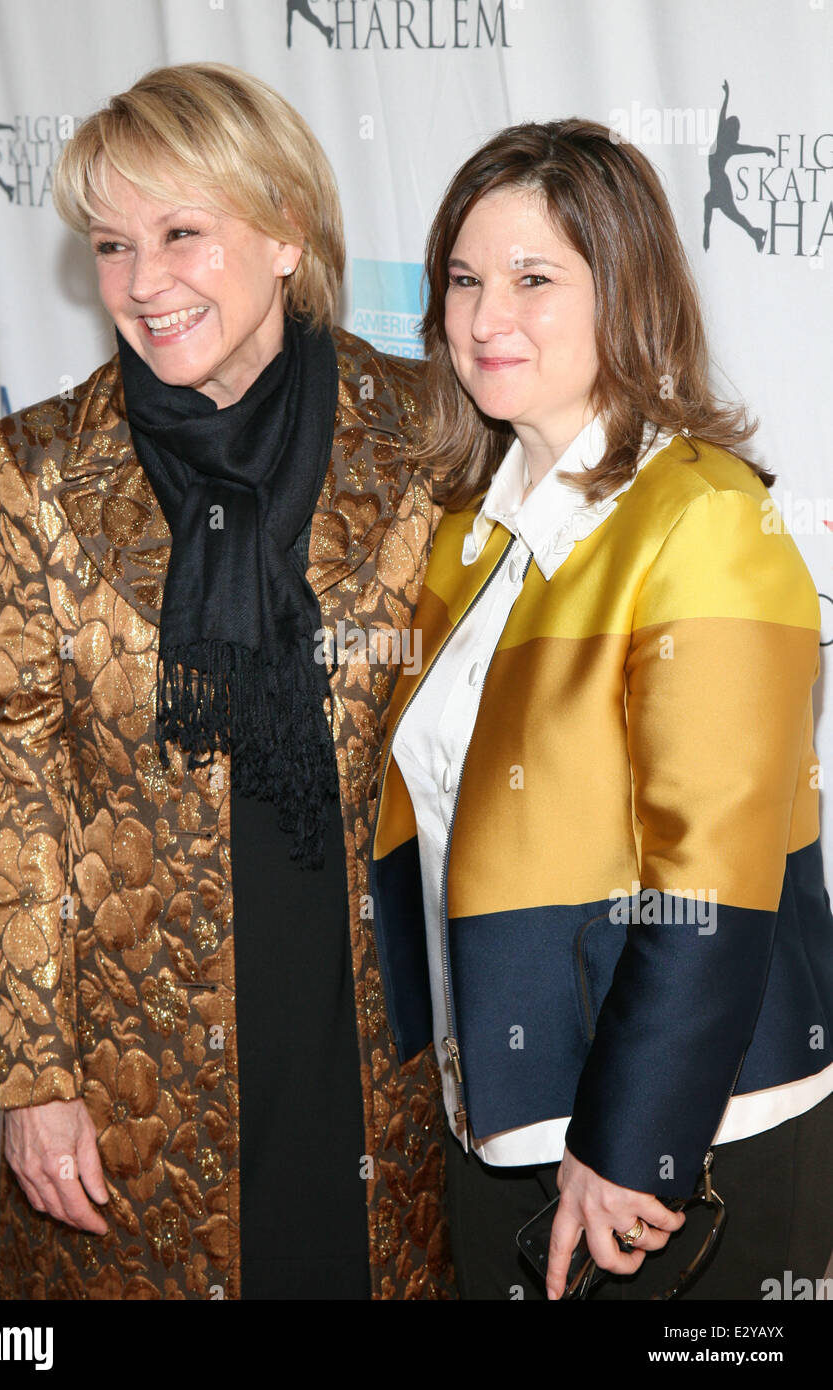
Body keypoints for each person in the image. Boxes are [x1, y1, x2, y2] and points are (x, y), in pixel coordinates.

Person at [0, 61, 454, 1301]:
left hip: (377, 1043)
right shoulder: (40, 468)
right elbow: (12, 787)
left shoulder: (424, 438)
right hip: (131, 1073)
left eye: (183, 232)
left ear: (287, 230)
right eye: (114, 245)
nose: (142, 283)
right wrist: (32, 1077)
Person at [369, 118, 833, 1301]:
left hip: (679, 1139)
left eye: (533, 279)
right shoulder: (474, 531)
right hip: (511, 1118)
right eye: (463, 281)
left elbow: (713, 877)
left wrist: (633, 1144)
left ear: (623, 292)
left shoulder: (707, 517)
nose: (482, 318)